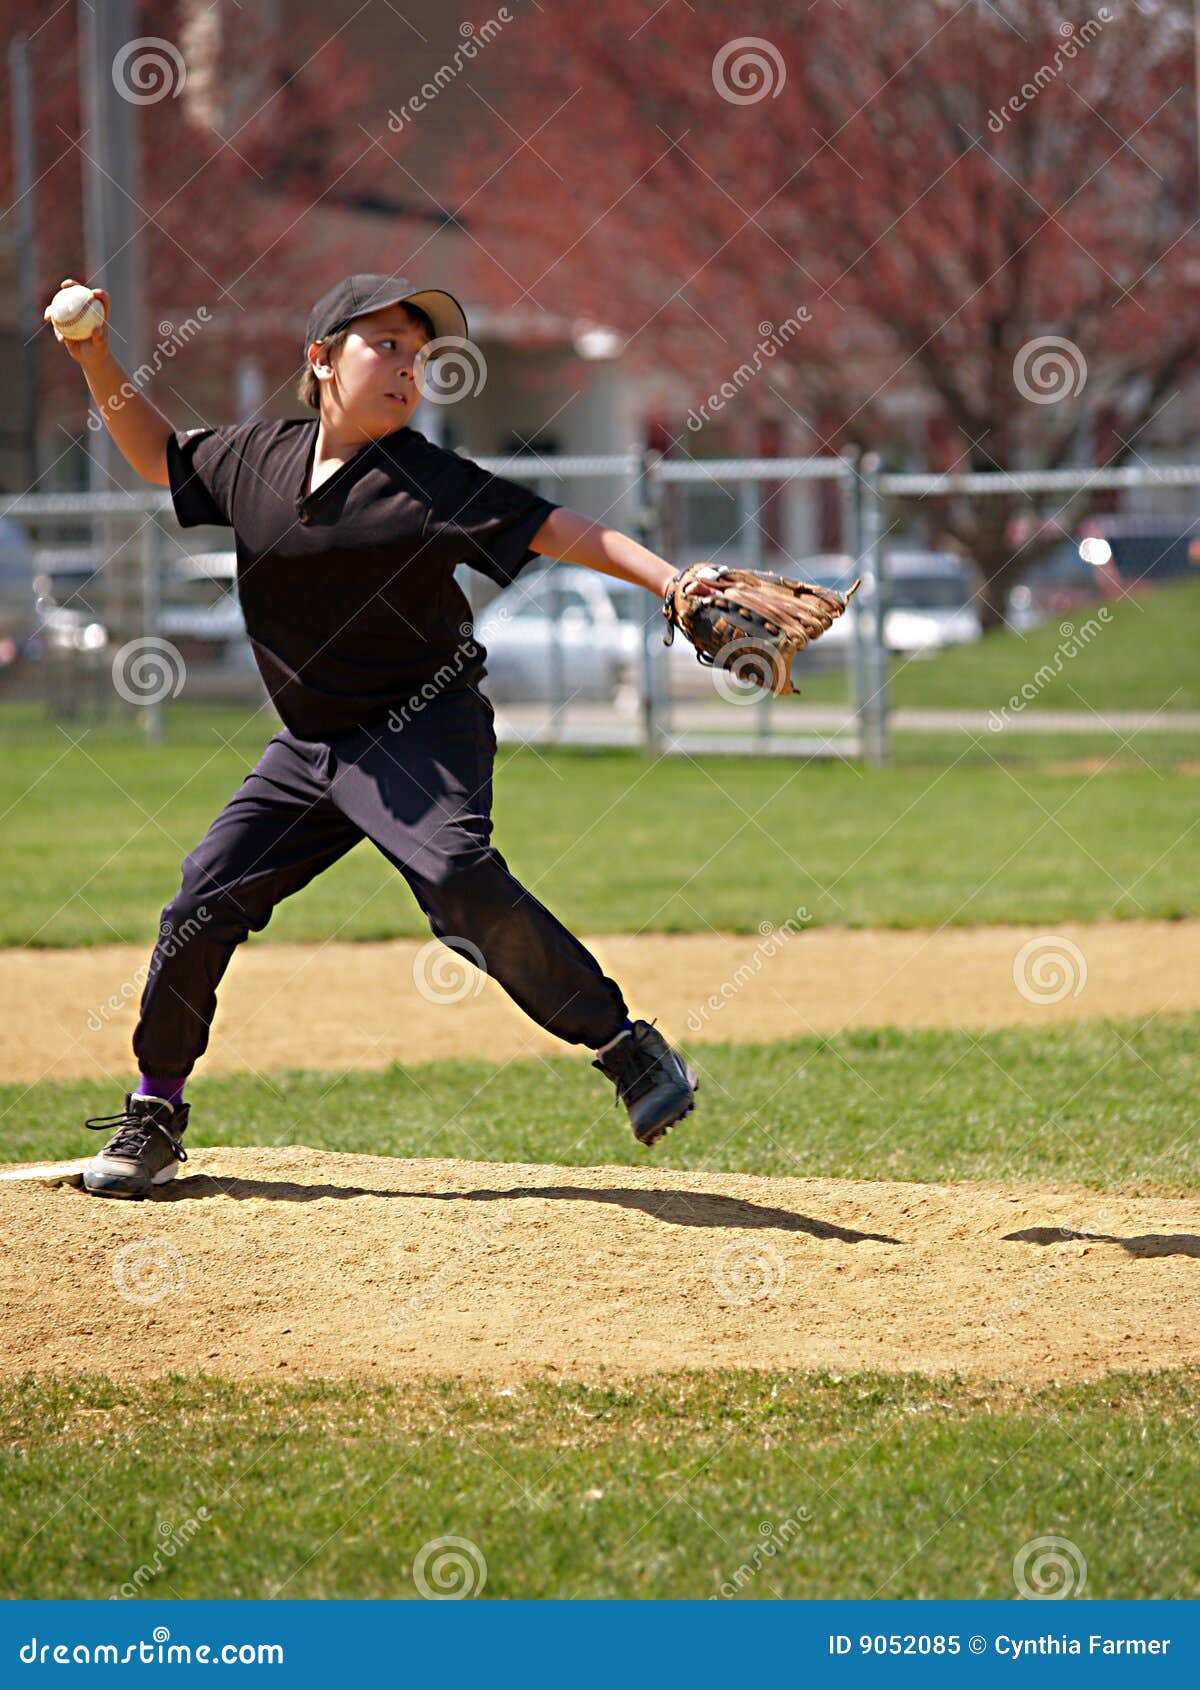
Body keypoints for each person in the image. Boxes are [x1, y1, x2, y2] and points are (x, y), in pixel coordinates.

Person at [48, 273, 708, 1199]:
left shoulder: (426, 481)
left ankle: (625, 1048)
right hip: (311, 745)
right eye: (385, 345)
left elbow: (561, 530)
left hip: (420, 730)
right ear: (320, 360)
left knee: (456, 880)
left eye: (421, 353)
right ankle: (155, 1108)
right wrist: (93, 354)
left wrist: (671, 581)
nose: (409, 367)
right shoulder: (256, 460)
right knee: (201, 901)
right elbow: (159, 456)